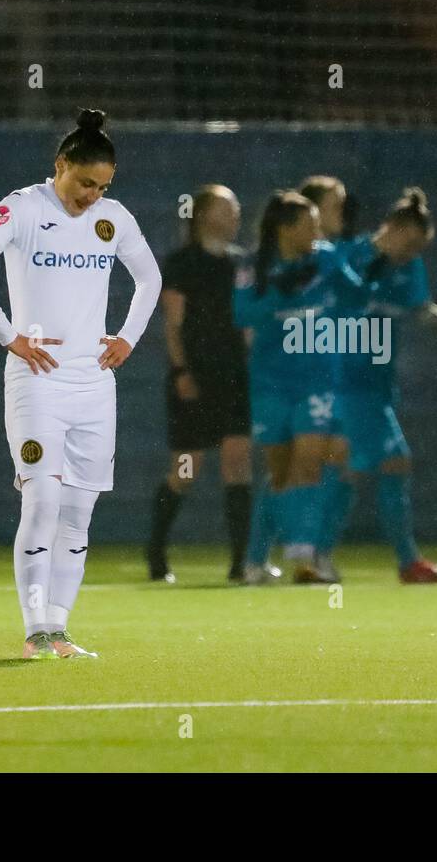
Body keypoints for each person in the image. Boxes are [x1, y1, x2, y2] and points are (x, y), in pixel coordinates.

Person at [0, 108, 161, 658]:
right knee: (43, 497)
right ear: (60, 165)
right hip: (37, 381)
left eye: (102, 186)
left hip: (94, 386)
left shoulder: (114, 219)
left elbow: (150, 278)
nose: (92, 195)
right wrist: (10, 337)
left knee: (79, 512)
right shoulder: (21, 208)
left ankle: (59, 629)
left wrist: (127, 339)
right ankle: (33, 630)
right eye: (84, 182)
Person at [326, 187, 437, 583]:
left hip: (376, 383)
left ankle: (320, 556)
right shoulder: (350, 255)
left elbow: (424, 312)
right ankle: (392, 560)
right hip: (344, 380)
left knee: (361, 466)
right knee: (376, 463)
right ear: (395, 227)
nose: (414, 253)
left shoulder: (409, 268)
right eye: (413, 243)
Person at [233, 191, 374, 584]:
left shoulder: (325, 257)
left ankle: (303, 552)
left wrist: (347, 266)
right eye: (309, 224)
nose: (317, 231)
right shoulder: (254, 264)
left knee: (311, 459)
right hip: (270, 379)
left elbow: (359, 295)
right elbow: (242, 313)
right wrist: (282, 289)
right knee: (279, 473)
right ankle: (256, 561)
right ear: (286, 228)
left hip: (317, 377)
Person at [145, 184, 267, 583]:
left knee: (237, 461)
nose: (235, 216)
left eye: (235, 209)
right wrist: (181, 372)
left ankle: (240, 561)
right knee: (186, 467)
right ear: (203, 216)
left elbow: (248, 320)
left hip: (233, 377)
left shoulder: (240, 264)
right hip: (194, 379)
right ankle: (157, 551)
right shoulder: (182, 263)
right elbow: (173, 323)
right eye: (226, 209)